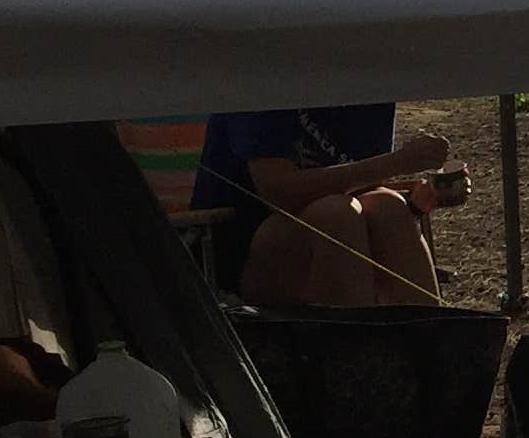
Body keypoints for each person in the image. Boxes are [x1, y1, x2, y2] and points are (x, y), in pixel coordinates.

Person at [191, 105, 460, 307]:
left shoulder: (371, 85)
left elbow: (361, 185)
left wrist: (416, 197)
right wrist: (396, 163)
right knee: (337, 215)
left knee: (389, 207)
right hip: (238, 253)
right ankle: (353, 354)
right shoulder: (261, 76)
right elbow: (279, 193)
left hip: (327, 236)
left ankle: (430, 352)